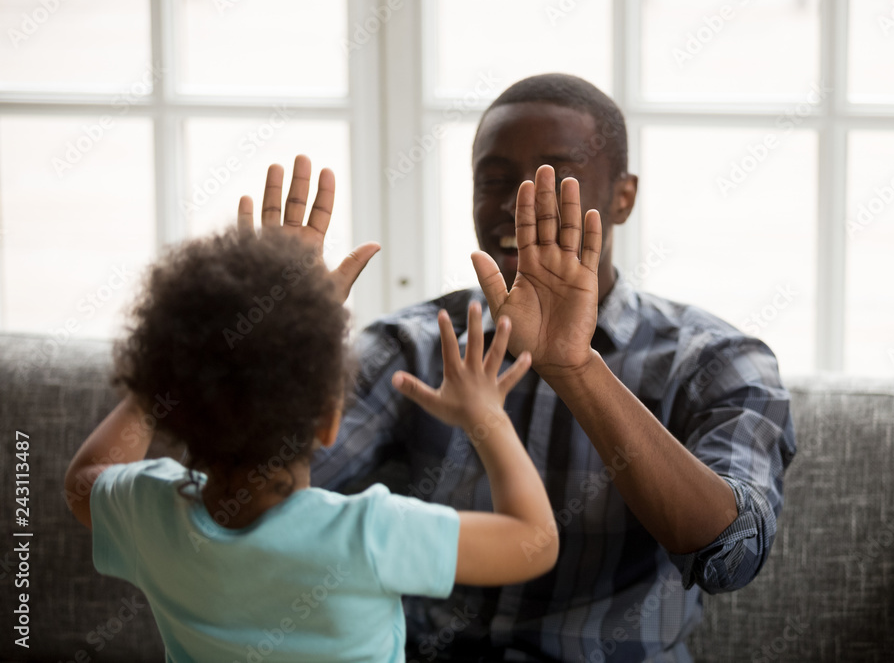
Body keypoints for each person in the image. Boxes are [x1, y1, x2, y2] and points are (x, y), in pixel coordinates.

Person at [288, 73, 797, 663]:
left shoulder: (715, 360)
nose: (514, 203)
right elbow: (258, 501)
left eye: (551, 180)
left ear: (624, 196)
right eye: (495, 180)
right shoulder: (413, 345)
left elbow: (730, 555)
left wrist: (575, 366)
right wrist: (282, 347)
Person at [62, 193, 562, 660]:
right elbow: (534, 540)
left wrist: (172, 368)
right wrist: (487, 418)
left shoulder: (150, 510)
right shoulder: (368, 535)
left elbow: (88, 476)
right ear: (328, 422)